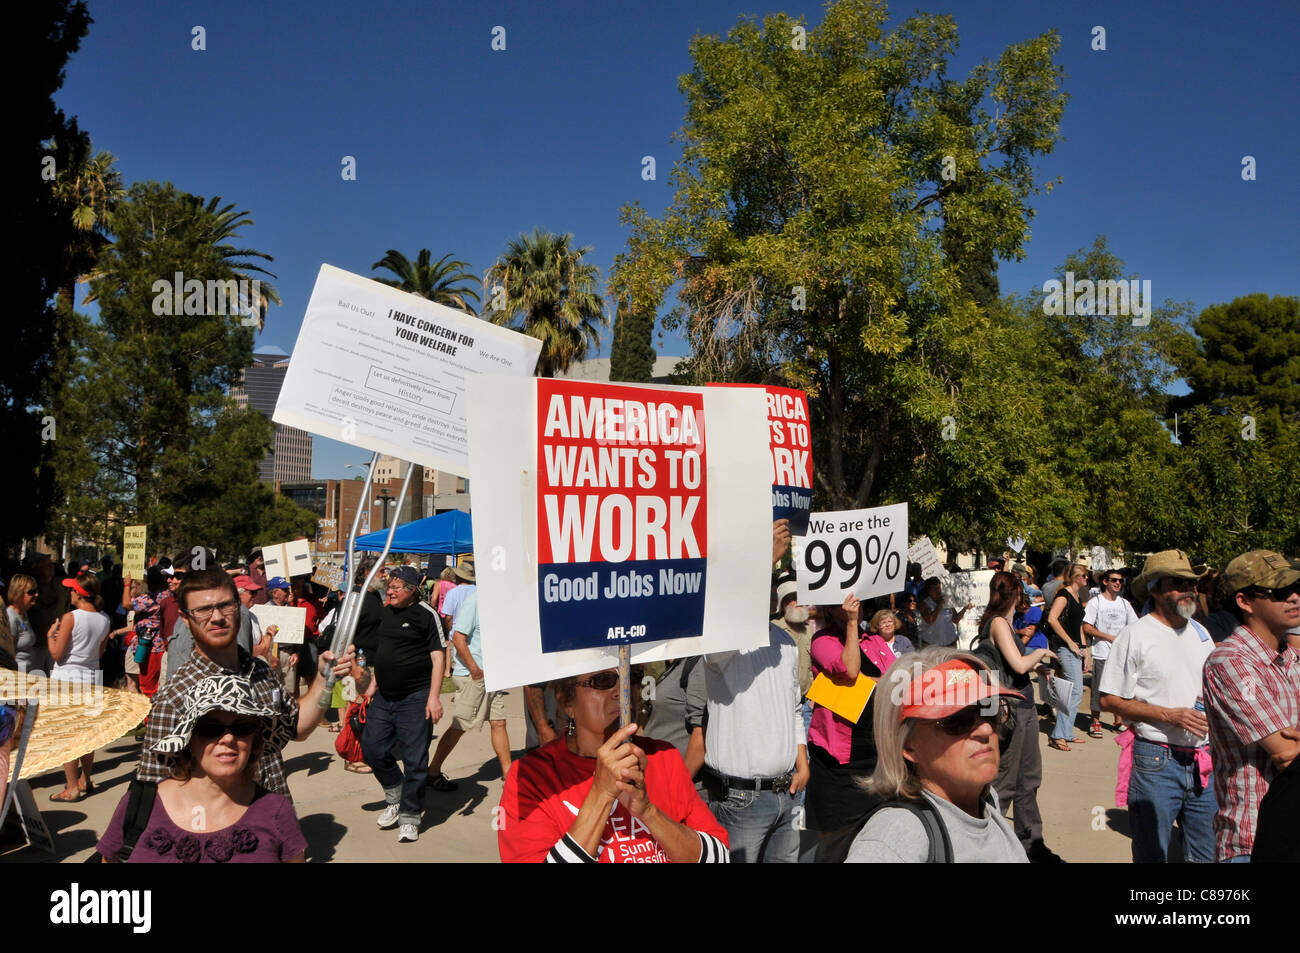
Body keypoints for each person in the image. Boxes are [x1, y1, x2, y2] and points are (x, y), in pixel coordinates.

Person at [135, 568, 353, 797]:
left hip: (275, 819)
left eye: (226, 605)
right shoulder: (175, 695)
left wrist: (322, 678)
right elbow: (152, 790)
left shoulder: (259, 671)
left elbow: (296, 728)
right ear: (185, 619)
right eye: (203, 610)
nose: (217, 617)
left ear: (239, 609)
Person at [497, 666, 729, 863]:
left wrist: (649, 812)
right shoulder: (531, 777)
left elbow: (720, 856)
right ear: (567, 700)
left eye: (632, 676)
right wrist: (601, 794)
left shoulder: (663, 755)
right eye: (603, 681)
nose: (622, 691)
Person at [99, 674, 307, 862]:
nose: (228, 738)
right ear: (189, 739)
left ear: (255, 740)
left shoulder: (276, 810)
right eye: (211, 729)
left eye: (242, 728)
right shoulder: (140, 804)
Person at [846, 650, 1028, 862]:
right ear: (907, 746)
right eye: (956, 719)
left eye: (989, 709)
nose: (986, 729)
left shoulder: (985, 799)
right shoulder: (896, 835)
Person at [697, 519, 808, 862]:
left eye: (771, 585)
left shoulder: (786, 642)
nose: (769, 591)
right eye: (764, 584)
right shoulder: (720, 641)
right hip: (740, 801)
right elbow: (738, 620)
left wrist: (802, 763)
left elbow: (794, 709)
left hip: (787, 793)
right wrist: (766, 561)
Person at [1098, 550, 1217, 863]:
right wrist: (1168, 715)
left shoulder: (1201, 633)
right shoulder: (1134, 635)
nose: (1189, 589)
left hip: (1204, 763)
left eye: (1191, 582)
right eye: (1177, 582)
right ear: (1155, 588)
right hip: (1157, 760)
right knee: (1153, 855)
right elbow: (1108, 700)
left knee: (1206, 856)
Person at [1202, 550, 1300, 862]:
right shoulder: (1230, 662)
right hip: (1254, 840)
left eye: (1298, 589)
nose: (1295, 598)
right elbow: (1287, 754)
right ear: (1244, 602)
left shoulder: (1291, 660)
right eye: (1281, 592)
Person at [974, 570, 1060, 862]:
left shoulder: (1003, 623)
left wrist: (1037, 668)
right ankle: (991, 843)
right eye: (1021, 591)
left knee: (1028, 778)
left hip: (1020, 706)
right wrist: (1041, 655)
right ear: (1015, 594)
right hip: (1011, 710)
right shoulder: (998, 623)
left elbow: (1013, 665)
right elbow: (1019, 665)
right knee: (1006, 782)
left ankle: (1031, 842)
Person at [358, 565, 446, 843]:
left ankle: (410, 816)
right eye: (390, 586)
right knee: (372, 748)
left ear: (411, 590)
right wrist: (373, 684)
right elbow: (383, 652)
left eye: (397, 587)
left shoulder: (426, 615)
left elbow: (438, 658)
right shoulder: (386, 613)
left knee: (415, 760)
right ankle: (395, 792)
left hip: (416, 697)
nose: (391, 591)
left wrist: (434, 696)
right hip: (384, 695)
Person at [804, 593, 886, 861]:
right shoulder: (823, 641)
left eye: (858, 603)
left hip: (874, 758)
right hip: (838, 764)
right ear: (831, 609)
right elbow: (850, 670)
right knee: (836, 846)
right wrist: (851, 624)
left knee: (872, 840)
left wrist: (870, 681)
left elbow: (899, 679)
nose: (856, 608)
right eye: (847, 604)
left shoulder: (874, 641)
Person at [426, 583, 511, 788]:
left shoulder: (499, 603)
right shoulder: (474, 601)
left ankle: (509, 775)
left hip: (493, 675)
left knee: (499, 723)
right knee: (461, 725)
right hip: (474, 676)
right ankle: (432, 771)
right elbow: (457, 638)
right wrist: (475, 671)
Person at [47, 573, 113, 802]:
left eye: (72, 589)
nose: (70, 592)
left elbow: (57, 653)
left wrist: (49, 637)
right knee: (88, 731)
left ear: (79, 593)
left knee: (68, 732)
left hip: (69, 677)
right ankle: (86, 779)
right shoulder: (105, 619)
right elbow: (100, 652)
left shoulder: (71, 617)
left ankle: (72, 786)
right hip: (93, 676)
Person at [1082, 569, 1138, 736]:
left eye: (1120, 580)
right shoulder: (1096, 602)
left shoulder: (1124, 604)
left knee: (1120, 688)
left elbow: (1134, 625)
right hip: (1102, 652)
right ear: (1105, 582)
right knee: (1099, 688)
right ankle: (1096, 721)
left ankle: (1118, 720)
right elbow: (1087, 627)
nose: (1117, 583)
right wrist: (1107, 637)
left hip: (1121, 654)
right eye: (1114, 580)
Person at [1045, 563, 1090, 751]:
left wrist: (1084, 647)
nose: (1087, 579)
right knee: (1075, 692)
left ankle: (1066, 732)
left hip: (1075, 649)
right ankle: (1059, 734)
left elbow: (1079, 625)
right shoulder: (1063, 595)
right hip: (1065, 648)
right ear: (1076, 577)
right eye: (1085, 576)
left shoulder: (1076, 597)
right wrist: (1070, 642)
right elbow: (1052, 619)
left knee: (1075, 691)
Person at [918, 577, 971, 649]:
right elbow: (930, 620)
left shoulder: (947, 600)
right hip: (932, 645)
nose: (938, 591)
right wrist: (939, 605)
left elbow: (955, 620)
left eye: (939, 588)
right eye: (935, 589)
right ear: (929, 592)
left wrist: (964, 609)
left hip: (950, 642)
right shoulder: (924, 604)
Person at [4, 572, 39, 673]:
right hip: (16, 674)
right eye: (31, 592)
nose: (36, 594)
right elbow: (8, 654)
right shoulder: (10, 617)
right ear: (18, 593)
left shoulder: (23, 614)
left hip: (27, 671)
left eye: (36, 591)